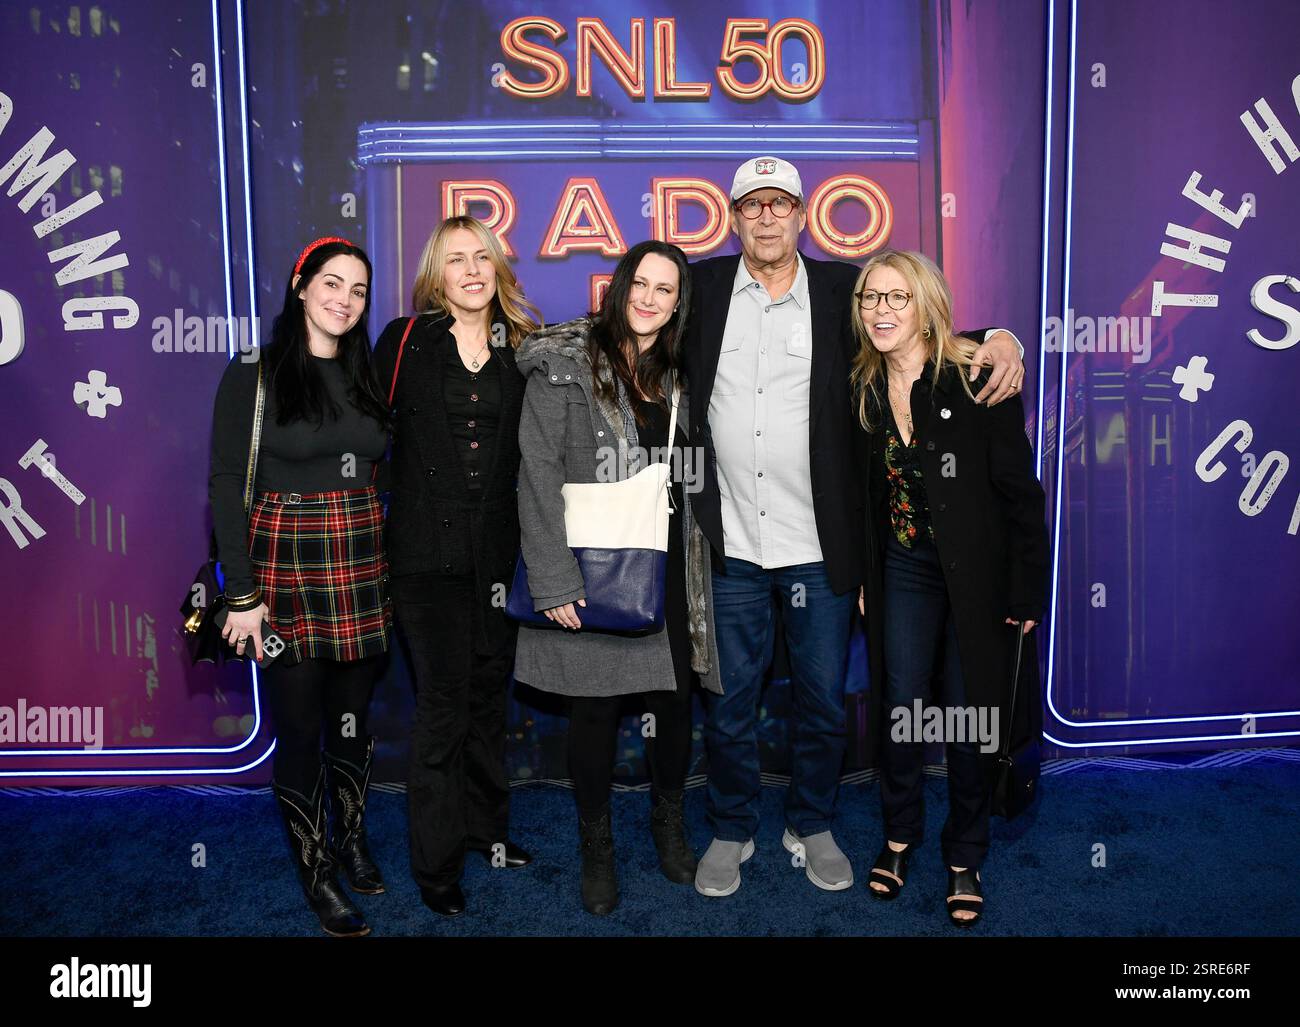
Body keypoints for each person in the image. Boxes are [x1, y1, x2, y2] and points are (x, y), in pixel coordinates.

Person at [682, 156, 1028, 898]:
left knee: (822, 703)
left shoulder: (842, 290)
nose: (767, 217)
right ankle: (732, 825)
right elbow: (628, 323)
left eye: (781, 204)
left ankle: (812, 821)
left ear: (802, 216)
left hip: (821, 548)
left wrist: (1002, 337)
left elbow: (914, 323)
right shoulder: (702, 290)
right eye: (753, 205)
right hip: (733, 542)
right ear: (733, 216)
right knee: (730, 701)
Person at [513, 240, 722, 916]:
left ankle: (669, 823)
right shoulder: (566, 360)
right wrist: (552, 576)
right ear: (620, 284)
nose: (651, 297)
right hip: (591, 564)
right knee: (595, 710)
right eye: (643, 282)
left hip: (669, 565)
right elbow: (537, 469)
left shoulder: (682, 370)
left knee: (674, 706)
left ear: (678, 302)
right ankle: (596, 845)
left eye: (667, 288)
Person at [852, 249, 1049, 926]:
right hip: (904, 568)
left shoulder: (976, 377)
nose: (881, 310)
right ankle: (900, 833)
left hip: (978, 577)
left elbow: (1022, 496)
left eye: (897, 298)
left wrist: (1026, 594)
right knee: (901, 706)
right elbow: (861, 498)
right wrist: (861, 577)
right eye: (870, 298)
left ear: (928, 304)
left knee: (967, 720)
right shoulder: (863, 387)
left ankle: (965, 850)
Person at [209, 236, 392, 938]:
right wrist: (241, 595)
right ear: (300, 284)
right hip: (282, 566)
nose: (345, 299)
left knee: (353, 717)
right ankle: (316, 870)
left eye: (359, 290)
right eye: (332, 283)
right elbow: (227, 483)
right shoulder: (254, 371)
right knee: (300, 723)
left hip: (358, 561)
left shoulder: (366, 370)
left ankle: (351, 838)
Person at [372, 216, 539, 918]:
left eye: (482, 257)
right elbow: (359, 432)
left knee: (487, 698)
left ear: (499, 268)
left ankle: (486, 831)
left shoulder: (523, 348)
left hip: (500, 555)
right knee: (442, 706)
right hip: (422, 558)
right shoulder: (404, 342)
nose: (470, 269)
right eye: (454, 260)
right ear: (435, 276)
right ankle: (436, 867)